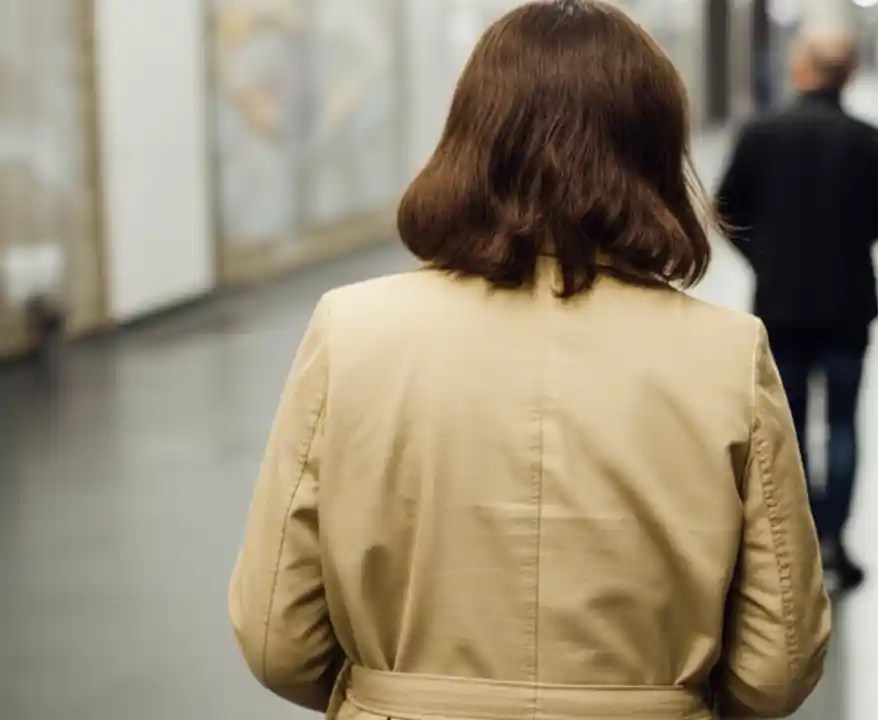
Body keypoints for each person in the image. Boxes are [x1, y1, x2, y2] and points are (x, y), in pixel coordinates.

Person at [229, 2, 830, 719]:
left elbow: (278, 638)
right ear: (656, 154)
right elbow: (778, 663)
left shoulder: (352, 332)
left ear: (467, 142)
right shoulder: (727, 354)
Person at [717, 33, 878, 593]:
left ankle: (788, 550)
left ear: (802, 71)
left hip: (781, 304)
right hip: (849, 305)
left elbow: (727, 209)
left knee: (787, 427)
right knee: (843, 425)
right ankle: (834, 542)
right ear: (847, 75)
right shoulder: (870, 140)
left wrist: (764, 259)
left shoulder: (761, 134)